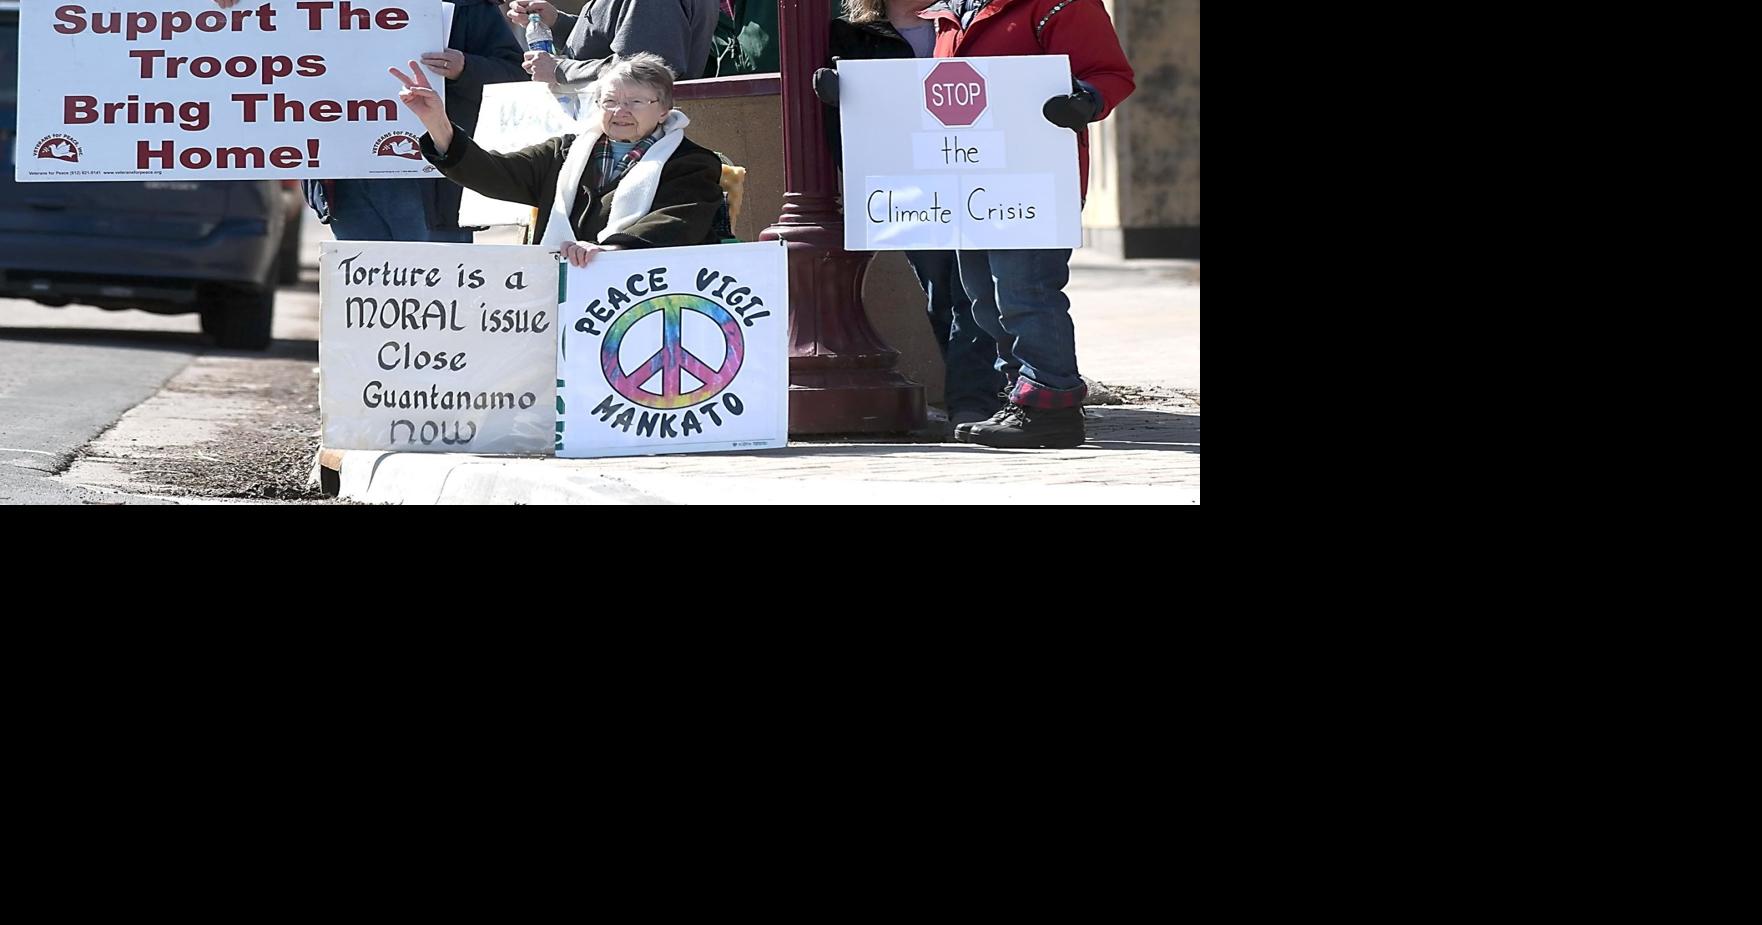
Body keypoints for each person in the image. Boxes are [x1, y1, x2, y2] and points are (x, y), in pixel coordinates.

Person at [931, 0, 1136, 449]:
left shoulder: (1061, 4)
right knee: (984, 296)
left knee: (1026, 292)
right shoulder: (952, 12)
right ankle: (1024, 395)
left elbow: (1110, 73)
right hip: (972, 182)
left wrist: (1086, 99)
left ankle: (1052, 403)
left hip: (1037, 179)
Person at [814, 0, 1004, 428]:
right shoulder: (849, 34)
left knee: (974, 291)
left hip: (976, 171)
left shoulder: (964, 21)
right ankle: (979, 394)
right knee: (942, 293)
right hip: (906, 184)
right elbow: (847, 121)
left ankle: (974, 401)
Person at [211, 0, 527, 242]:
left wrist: (465, 68)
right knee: (360, 315)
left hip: (434, 189)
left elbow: (516, 78)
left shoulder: (465, 6)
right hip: (346, 185)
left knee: (436, 315)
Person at [393, 52, 727, 267]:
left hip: (649, 292)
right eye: (609, 101)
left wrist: (614, 251)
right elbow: (495, 173)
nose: (619, 112)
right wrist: (437, 121)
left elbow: (680, 220)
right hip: (559, 291)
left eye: (635, 102)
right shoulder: (565, 152)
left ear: (663, 109)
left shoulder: (693, 162)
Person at [506, 0, 719, 89]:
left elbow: (640, 71)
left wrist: (560, 69)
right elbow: (614, 36)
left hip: (640, 141)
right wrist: (556, 23)